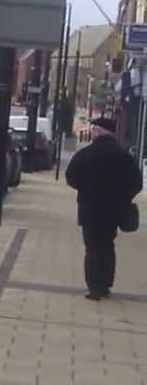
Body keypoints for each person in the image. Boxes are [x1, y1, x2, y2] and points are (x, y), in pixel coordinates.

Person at [65, 116, 141, 301]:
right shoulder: (124, 156)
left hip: (90, 208)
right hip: (114, 210)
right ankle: (105, 284)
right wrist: (123, 197)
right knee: (107, 245)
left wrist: (85, 188)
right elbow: (137, 183)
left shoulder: (86, 154)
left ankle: (94, 288)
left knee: (92, 248)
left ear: (98, 132)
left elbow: (71, 177)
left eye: (93, 130)